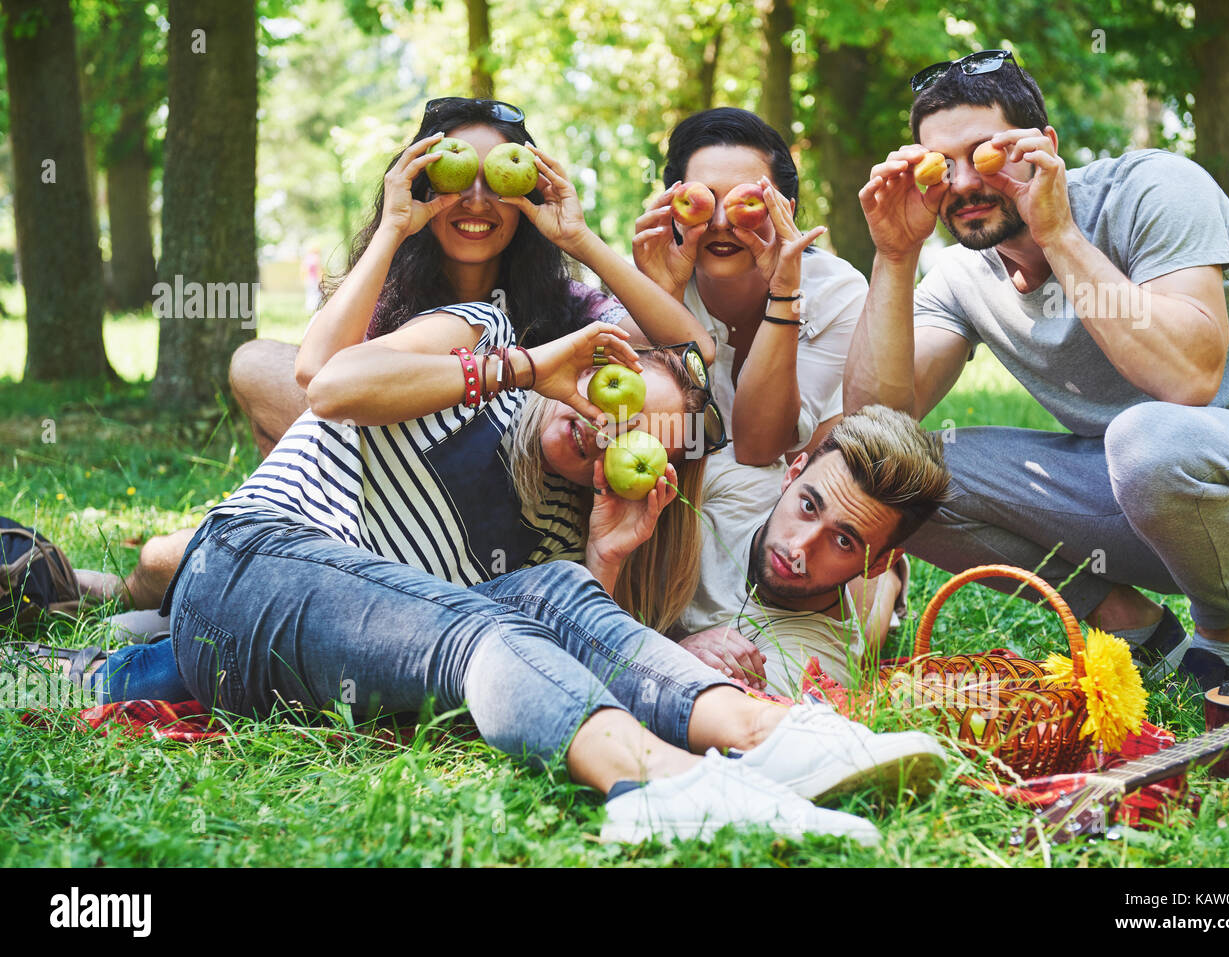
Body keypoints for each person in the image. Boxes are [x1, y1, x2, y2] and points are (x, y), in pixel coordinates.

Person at [38, 307, 947, 845]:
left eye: (639, 435)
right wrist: (525, 365)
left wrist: (601, 556)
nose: (608, 433)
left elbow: (503, 642)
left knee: (547, 597)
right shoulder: (481, 339)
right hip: (246, 564)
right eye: (611, 396)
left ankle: (766, 732)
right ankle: (658, 784)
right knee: (483, 634)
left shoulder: (556, 515)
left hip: (303, 656)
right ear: (588, 363)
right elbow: (329, 385)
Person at [100, 96, 713, 614]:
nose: (477, 199)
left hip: (491, 500)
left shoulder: (566, 307)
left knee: (176, 558)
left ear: (526, 193)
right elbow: (318, 378)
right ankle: (121, 584)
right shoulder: (398, 290)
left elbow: (695, 353)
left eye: (497, 179)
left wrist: (578, 238)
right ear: (423, 183)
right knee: (251, 371)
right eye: (453, 178)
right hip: (375, 449)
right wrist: (394, 228)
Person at [846, 49, 1229, 691]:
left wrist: (1059, 235)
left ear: (1043, 145)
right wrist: (894, 255)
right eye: (940, 165)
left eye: (984, 154)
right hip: (1152, 503)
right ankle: (1142, 633)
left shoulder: (1153, 188)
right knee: (889, 475)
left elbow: (1189, 381)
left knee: (1151, 437)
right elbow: (875, 423)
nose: (964, 183)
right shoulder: (959, 276)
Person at [633, 107, 910, 662]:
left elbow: (762, 447)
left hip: (789, 510)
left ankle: (869, 602)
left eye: (746, 202)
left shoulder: (831, 292)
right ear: (672, 206)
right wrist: (654, 294)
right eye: (703, 200)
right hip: (674, 501)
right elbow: (629, 427)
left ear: (784, 210)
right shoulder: (648, 272)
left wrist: (784, 292)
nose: (720, 223)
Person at [676, 406, 951, 697]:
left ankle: (889, 583)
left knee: (868, 639)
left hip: (829, 626)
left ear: (878, 562)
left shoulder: (814, 667)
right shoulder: (740, 483)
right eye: (808, 506)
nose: (798, 549)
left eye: (844, 541)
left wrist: (677, 652)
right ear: (792, 475)